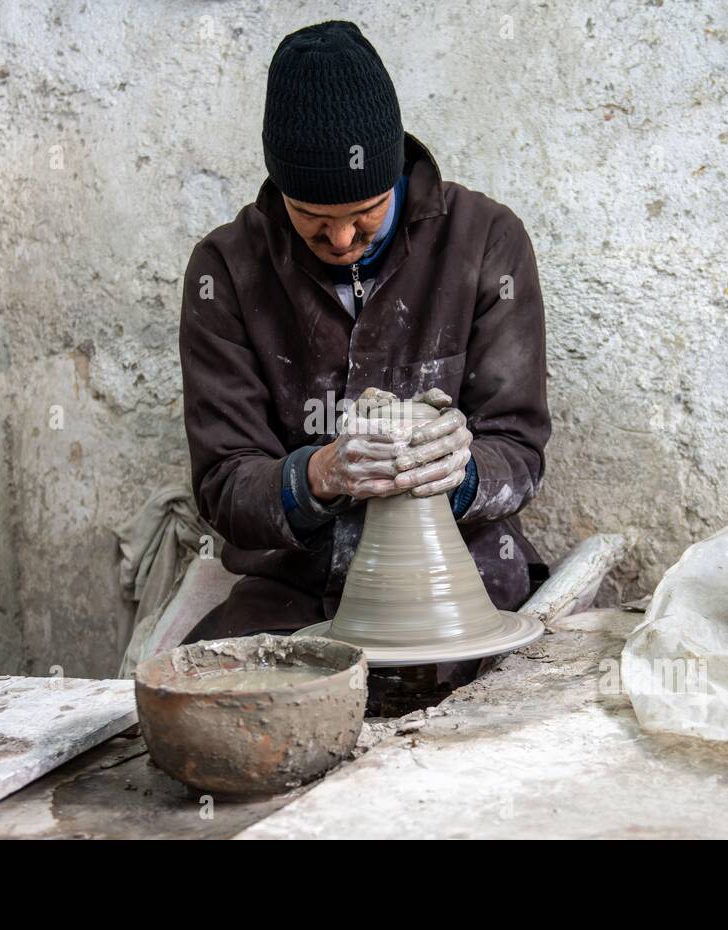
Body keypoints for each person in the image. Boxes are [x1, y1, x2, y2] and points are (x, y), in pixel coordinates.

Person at [179, 20, 551, 643]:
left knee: (494, 711)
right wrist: (321, 474)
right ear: (280, 192)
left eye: (365, 213)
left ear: (397, 175)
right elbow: (222, 483)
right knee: (231, 707)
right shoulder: (226, 270)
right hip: (294, 585)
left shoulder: (486, 240)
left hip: (463, 569)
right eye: (312, 219)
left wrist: (457, 474)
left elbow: (520, 448)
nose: (343, 240)